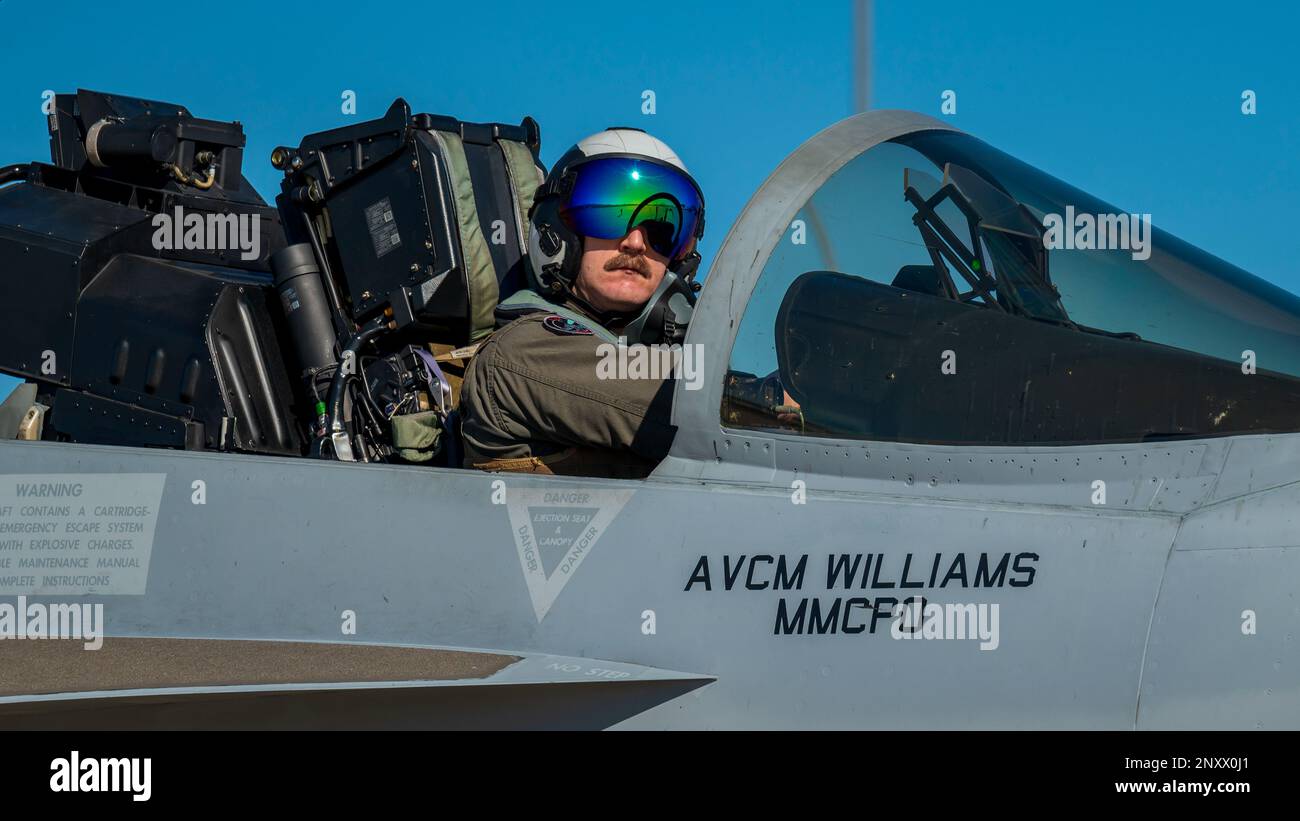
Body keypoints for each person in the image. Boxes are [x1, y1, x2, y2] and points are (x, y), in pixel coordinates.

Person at [458, 127, 705, 478]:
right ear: (557, 232)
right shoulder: (522, 353)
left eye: (661, 227)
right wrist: (776, 397)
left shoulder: (665, 358)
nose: (636, 242)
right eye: (609, 215)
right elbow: (702, 411)